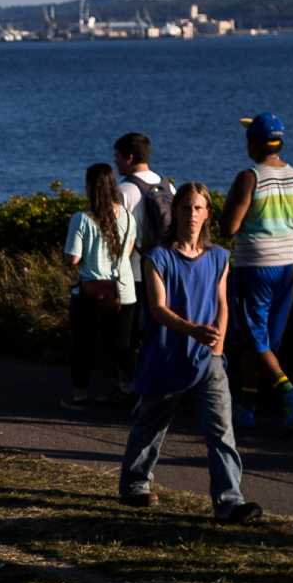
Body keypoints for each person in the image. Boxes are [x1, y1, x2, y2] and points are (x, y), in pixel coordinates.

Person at [116, 183, 262, 523]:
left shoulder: (219, 257)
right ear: (175, 212)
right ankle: (135, 483)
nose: (192, 215)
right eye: (185, 208)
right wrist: (193, 329)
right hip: (166, 357)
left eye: (198, 208)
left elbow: (222, 303)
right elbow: (158, 309)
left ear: (207, 213)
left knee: (221, 432)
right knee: (150, 425)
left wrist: (217, 346)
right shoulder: (157, 257)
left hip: (208, 359)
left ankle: (229, 501)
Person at [221, 112, 293, 426]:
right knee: (266, 340)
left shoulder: (250, 177)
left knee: (252, 334)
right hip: (289, 267)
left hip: (256, 266)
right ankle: (248, 405)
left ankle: (289, 392)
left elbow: (229, 227)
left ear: (253, 144)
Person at [61, 163, 137, 407]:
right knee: (121, 346)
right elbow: (128, 251)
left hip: (91, 291)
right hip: (123, 291)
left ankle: (80, 395)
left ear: (90, 187)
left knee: (83, 345)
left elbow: (73, 258)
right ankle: (133, 390)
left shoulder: (82, 219)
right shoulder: (128, 217)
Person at [114, 131, 174, 398]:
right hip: (164, 270)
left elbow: (115, 235)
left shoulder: (123, 191)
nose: (116, 163)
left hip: (134, 272)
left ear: (129, 157)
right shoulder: (168, 186)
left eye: (117, 157)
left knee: (128, 335)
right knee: (157, 330)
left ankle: (131, 386)